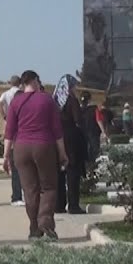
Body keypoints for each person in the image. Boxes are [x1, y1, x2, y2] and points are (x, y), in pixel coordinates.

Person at [2, 71, 67, 239]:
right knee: (49, 186)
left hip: (21, 148)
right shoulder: (47, 99)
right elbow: (57, 130)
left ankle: (34, 229)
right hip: (44, 145)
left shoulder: (16, 102)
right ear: (35, 81)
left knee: (30, 190)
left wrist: (5, 156)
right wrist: (62, 152)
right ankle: (45, 220)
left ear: (23, 83)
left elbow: (9, 132)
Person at [55, 75, 88, 215]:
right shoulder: (71, 100)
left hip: (57, 138)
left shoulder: (54, 101)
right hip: (71, 138)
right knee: (73, 171)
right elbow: (78, 120)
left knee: (59, 172)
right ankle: (73, 205)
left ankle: (58, 205)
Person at [0, 76, 22, 206]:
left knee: (14, 161)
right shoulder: (22, 94)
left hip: (10, 124)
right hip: (23, 126)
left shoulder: (5, 94)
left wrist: (5, 116)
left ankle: (17, 195)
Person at [80, 93, 102, 176]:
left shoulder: (78, 109)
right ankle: (92, 170)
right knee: (94, 151)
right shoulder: (94, 108)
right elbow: (98, 120)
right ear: (89, 99)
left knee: (85, 152)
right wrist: (103, 131)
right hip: (93, 132)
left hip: (82, 133)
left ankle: (85, 170)